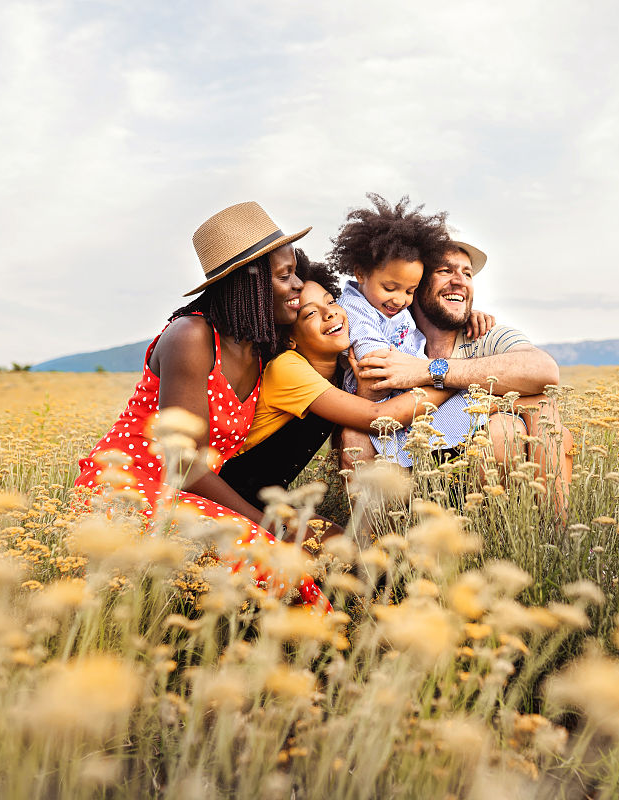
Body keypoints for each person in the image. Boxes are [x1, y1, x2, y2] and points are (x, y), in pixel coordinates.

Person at [74, 201, 325, 606]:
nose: (299, 285)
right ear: (251, 284)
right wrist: (266, 523)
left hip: (186, 499)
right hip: (126, 492)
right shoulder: (190, 336)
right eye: (286, 276)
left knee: (302, 554)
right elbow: (183, 463)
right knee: (274, 558)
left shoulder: (260, 351)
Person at [219, 251, 457, 509]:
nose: (330, 313)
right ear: (289, 339)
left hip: (268, 501)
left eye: (331, 301)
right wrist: (452, 380)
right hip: (233, 495)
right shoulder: (287, 369)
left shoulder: (339, 369)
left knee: (342, 543)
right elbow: (378, 416)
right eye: (310, 314)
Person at [350, 238, 574, 510]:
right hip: (404, 477)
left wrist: (429, 371)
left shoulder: (486, 335)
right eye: (445, 271)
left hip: (474, 475)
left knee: (521, 422)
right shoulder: (388, 329)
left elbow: (544, 370)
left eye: (467, 273)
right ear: (417, 282)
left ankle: (553, 537)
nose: (460, 281)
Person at [328, 195, 492, 466]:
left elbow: (440, 305)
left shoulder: (395, 305)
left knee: (483, 406)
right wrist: (440, 375)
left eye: (410, 290)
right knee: (471, 396)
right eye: (390, 288)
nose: (400, 299)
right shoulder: (355, 309)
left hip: (406, 392)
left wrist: (467, 315)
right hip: (382, 395)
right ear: (361, 273)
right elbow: (378, 364)